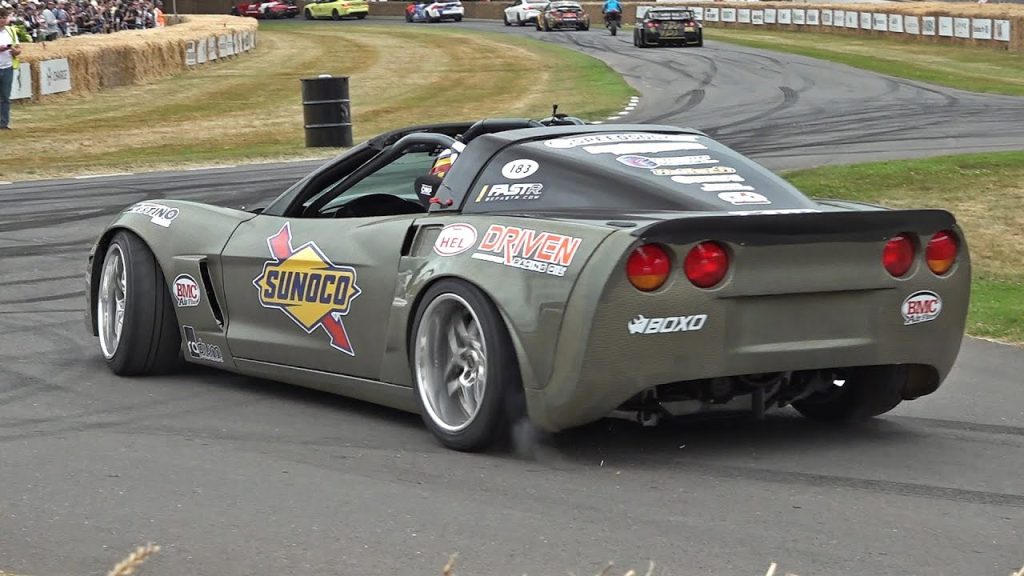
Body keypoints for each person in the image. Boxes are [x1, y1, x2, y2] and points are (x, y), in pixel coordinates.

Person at [0, 6, 23, 130]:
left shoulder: (11, 31)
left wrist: (15, 51)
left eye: (4, 17)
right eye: (0, 17)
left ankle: (4, 123)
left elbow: (19, 48)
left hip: (8, 67)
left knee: (5, 97)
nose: (2, 20)